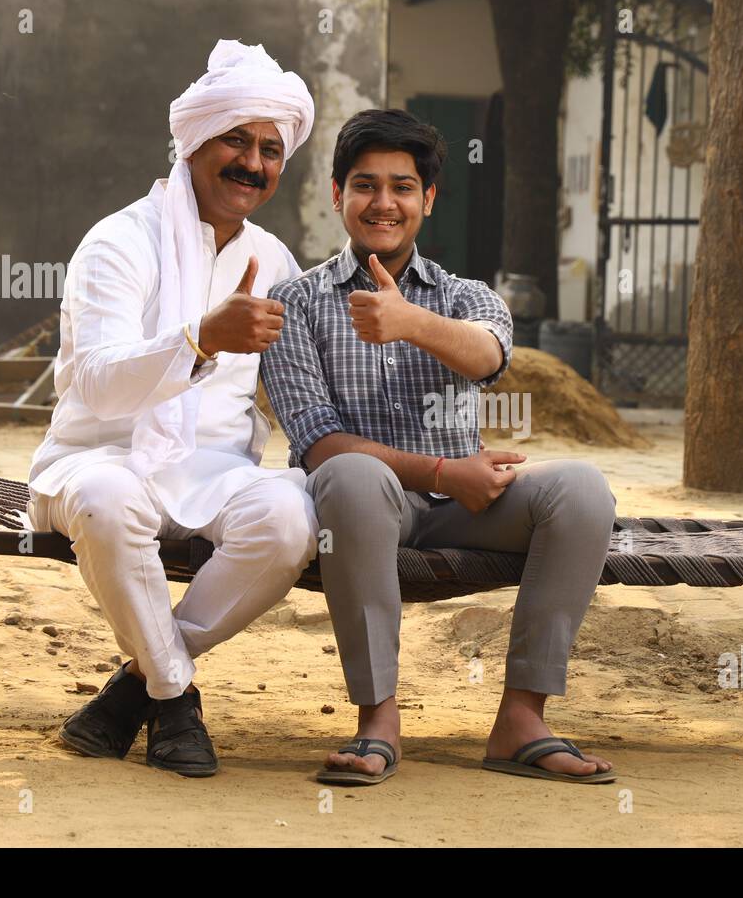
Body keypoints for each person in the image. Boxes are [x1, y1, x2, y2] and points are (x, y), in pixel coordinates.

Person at [261, 109, 617, 786]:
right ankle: (379, 719)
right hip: (364, 508)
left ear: (427, 200)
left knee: (582, 489)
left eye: (403, 186)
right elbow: (317, 444)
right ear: (338, 194)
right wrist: (444, 472)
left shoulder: (466, 295)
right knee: (352, 476)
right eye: (365, 186)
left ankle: (522, 719)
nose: (383, 203)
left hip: (469, 505)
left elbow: (488, 358)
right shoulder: (295, 303)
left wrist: (409, 322)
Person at [26, 40, 318, 777]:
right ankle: (176, 698)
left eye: (271, 149)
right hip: (99, 459)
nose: (254, 162)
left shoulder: (276, 261)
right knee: (109, 499)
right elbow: (92, 382)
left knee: (290, 517)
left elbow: (304, 390)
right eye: (236, 140)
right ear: (192, 141)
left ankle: (134, 690)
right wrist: (199, 340)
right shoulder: (119, 243)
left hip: (216, 471)